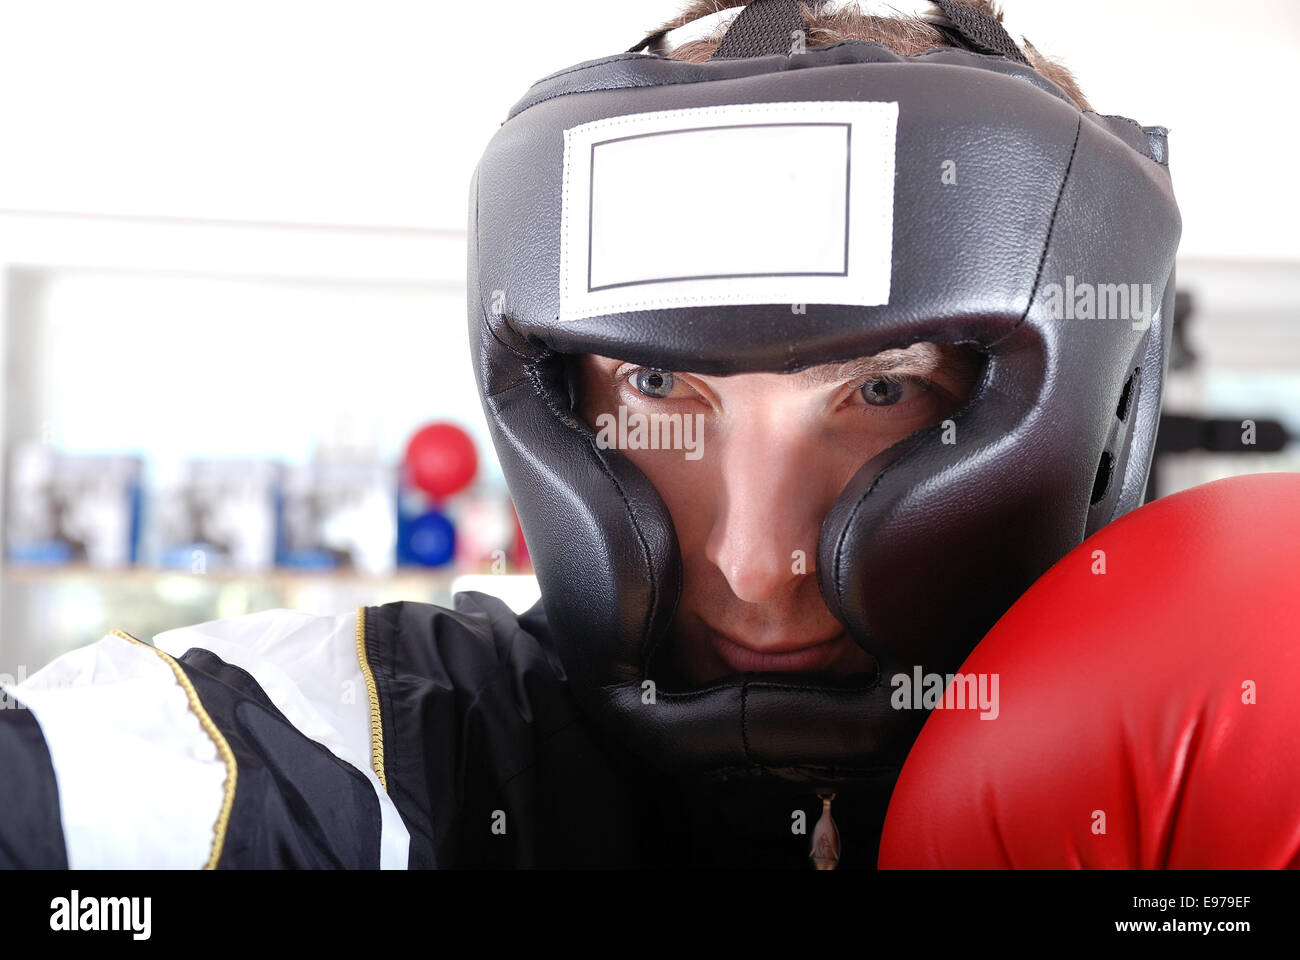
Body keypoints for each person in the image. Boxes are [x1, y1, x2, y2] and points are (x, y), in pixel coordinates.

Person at [0, 0, 1181, 869]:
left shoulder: (1196, 761)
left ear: (1100, 411)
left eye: (881, 394)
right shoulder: (394, 756)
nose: (755, 567)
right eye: (662, 385)